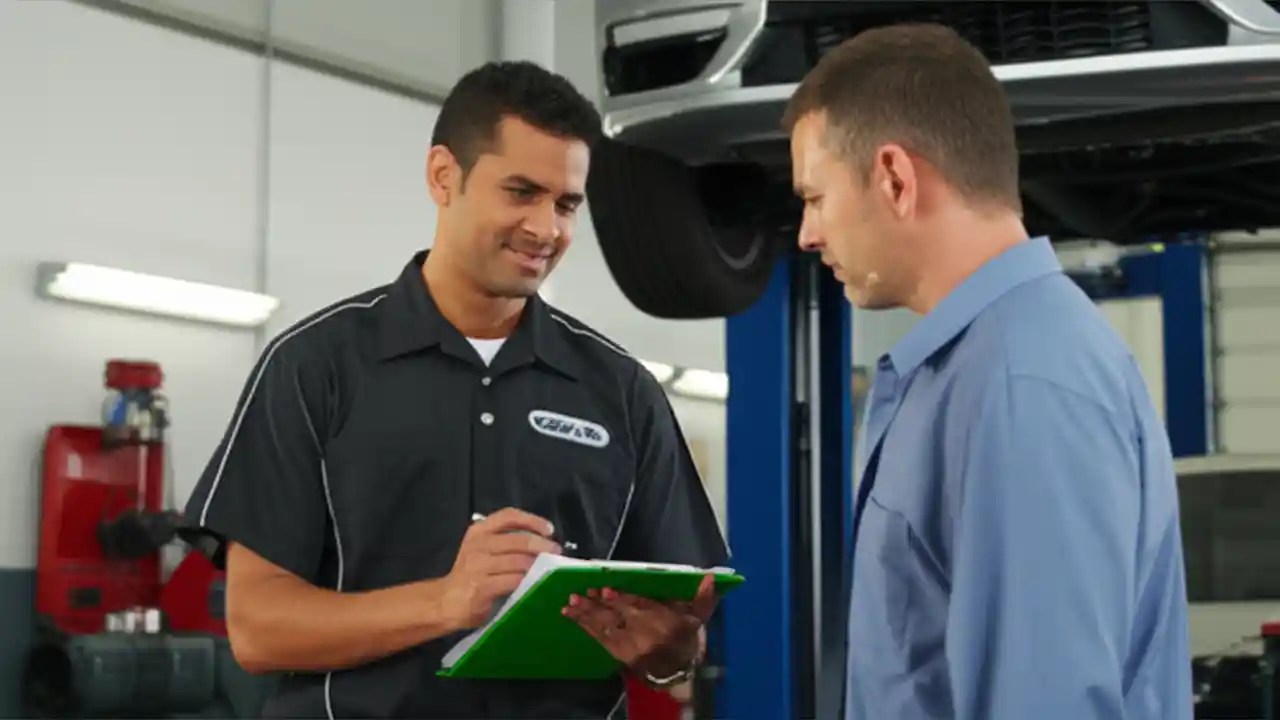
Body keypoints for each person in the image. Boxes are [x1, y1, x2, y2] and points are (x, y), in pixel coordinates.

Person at [180, 60, 729, 719]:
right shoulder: (314, 367)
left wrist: (671, 652)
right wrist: (443, 602)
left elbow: (675, 645)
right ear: (443, 176)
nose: (546, 229)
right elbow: (257, 631)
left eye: (565, 204)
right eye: (520, 192)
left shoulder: (623, 391)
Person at [782, 23, 1193, 720]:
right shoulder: (973, 368)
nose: (806, 234)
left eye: (815, 198)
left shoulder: (1021, 382)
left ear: (895, 179)